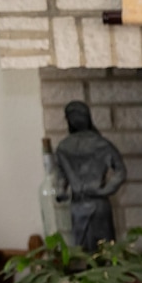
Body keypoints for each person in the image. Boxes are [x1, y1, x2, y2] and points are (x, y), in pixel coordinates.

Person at [56, 101, 127, 251]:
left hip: (78, 205)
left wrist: (61, 193)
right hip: (99, 203)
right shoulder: (102, 143)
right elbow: (120, 171)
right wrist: (105, 190)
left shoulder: (63, 147)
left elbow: (61, 179)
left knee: (83, 250)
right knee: (107, 250)